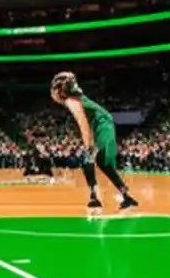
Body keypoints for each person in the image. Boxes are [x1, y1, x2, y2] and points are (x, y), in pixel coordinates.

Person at [50, 72, 138, 212]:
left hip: (102, 124)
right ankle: (125, 196)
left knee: (90, 160)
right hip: (100, 124)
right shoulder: (77, 97)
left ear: (60, 90)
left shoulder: (71, 101)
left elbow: (83, 123)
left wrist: (88, 146)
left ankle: (95, 197)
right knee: (102, 163)